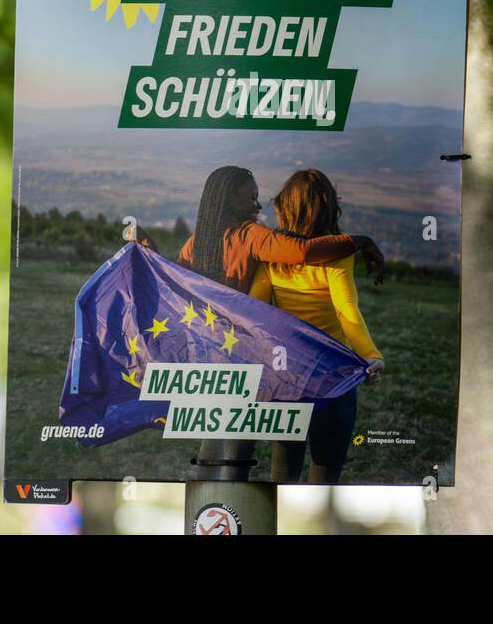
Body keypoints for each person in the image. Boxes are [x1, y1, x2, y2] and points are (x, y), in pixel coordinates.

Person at [129, 165, 386, 480]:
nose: (259, 206)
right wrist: (359, 241)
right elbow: (308, 259)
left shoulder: (198, 242)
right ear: (231, 202)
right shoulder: (252, 236)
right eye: (252, 198)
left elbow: (184, 286)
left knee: (226, 448)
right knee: (258, 457)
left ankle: (217, 511)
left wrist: (150, 258)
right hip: (279, 366)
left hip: (229, 363)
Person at [248, 169, 383, 484]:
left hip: (286, 378)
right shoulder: (337, 257)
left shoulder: (272, 256)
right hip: (332, 377)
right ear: (327, 209)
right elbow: (346, 309)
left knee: (282, 477)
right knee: (324, 479)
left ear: (287, 209)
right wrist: (370, 354)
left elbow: (254, 310)